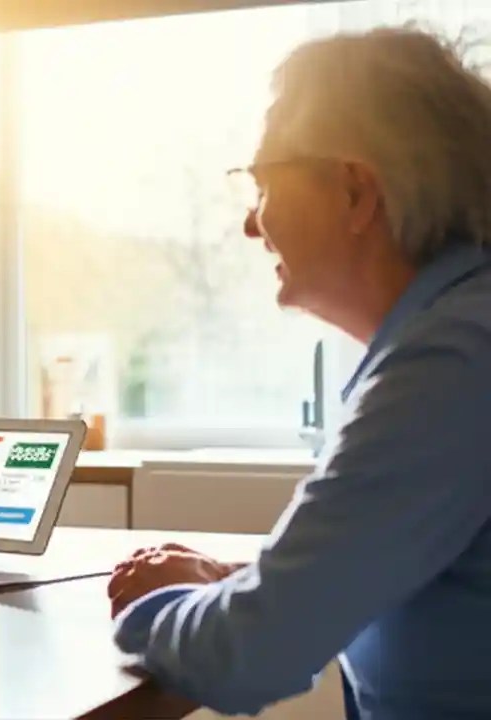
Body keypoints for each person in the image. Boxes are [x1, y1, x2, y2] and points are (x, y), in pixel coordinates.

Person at [107, 28, 491, 719]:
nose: (252, 227)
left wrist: (155, 604)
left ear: (354, 193)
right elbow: (384, 567)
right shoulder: (460, 337)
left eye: (262, 185)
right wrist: (236, 583)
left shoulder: (449, 364)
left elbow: (250, 654)